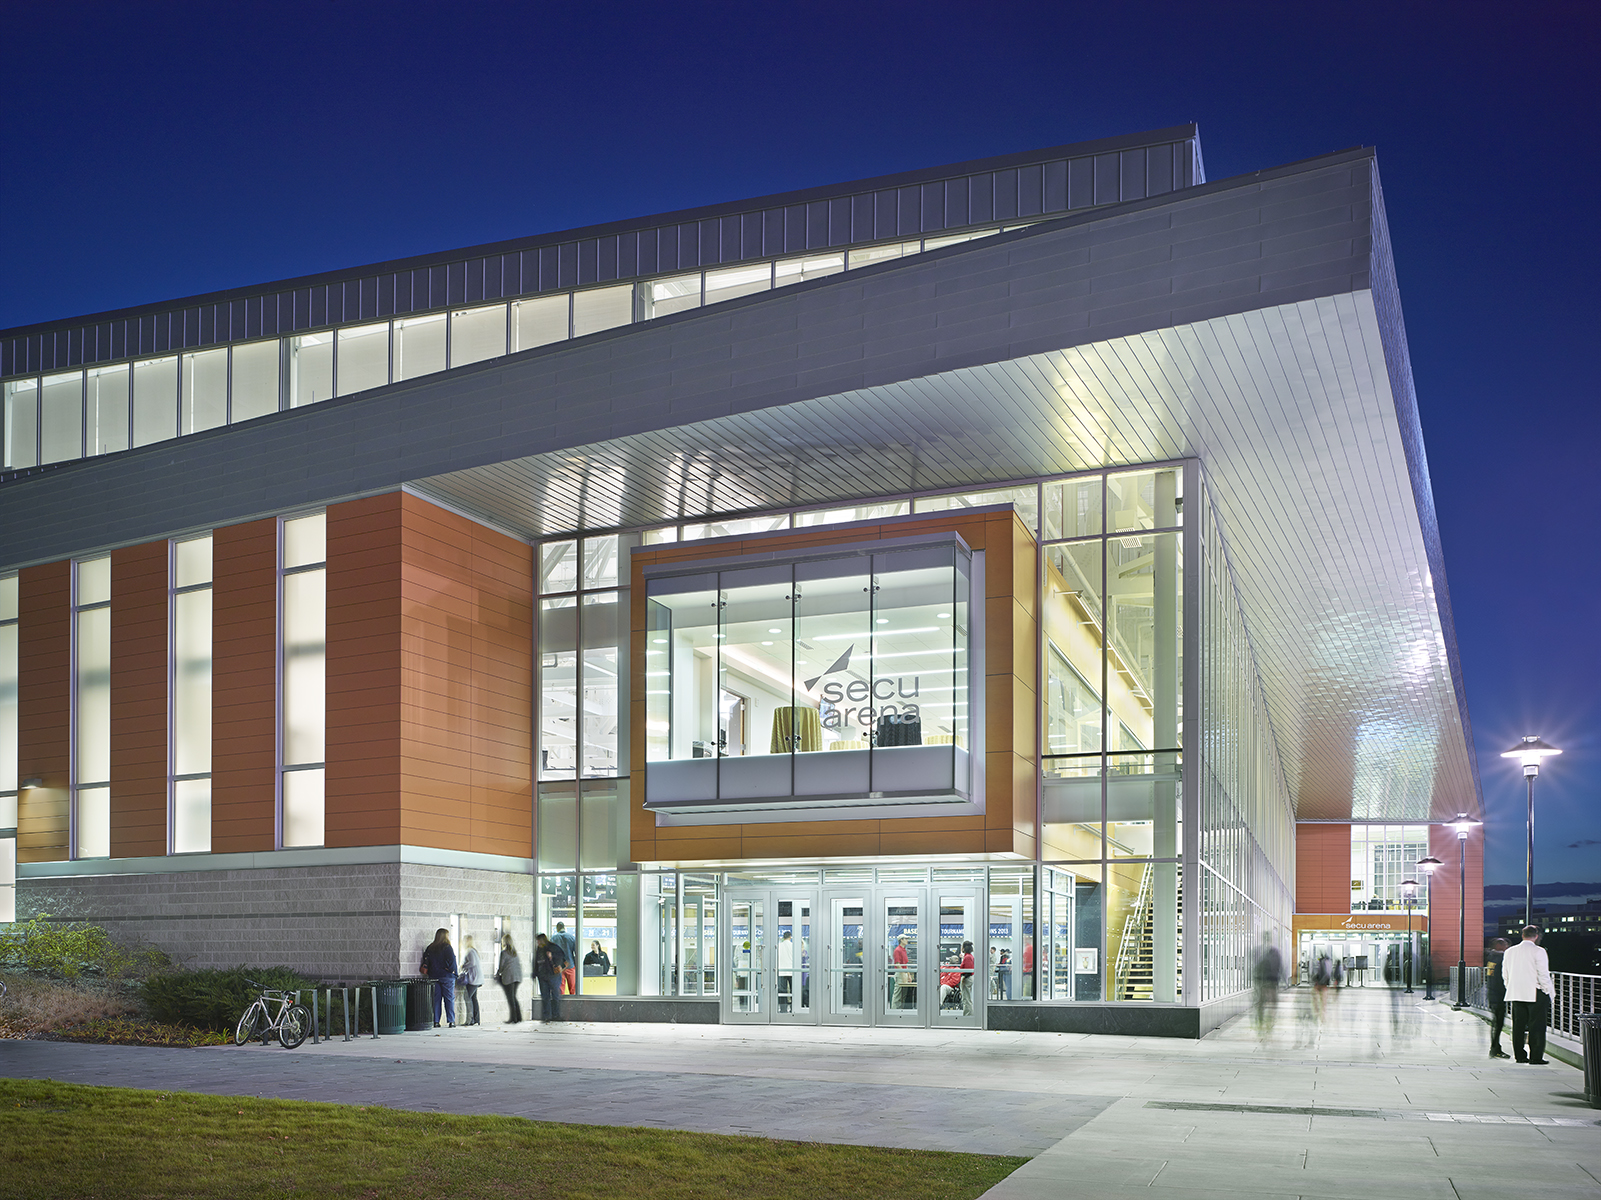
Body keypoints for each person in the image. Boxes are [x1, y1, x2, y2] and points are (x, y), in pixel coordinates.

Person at [1503, 925, 1553, 1064]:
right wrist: (1547, 990)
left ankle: (1520, 1056)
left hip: (1516, 992)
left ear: (1522, 935)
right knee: (1537, 1026)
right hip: (1535, 992)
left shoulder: (1510, 951)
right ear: (1536, 936)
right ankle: (1536, 1057)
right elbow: (1543, 974)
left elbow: (1505, 973)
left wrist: (1509, 986)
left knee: (1518, 1026)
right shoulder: (1539, 951)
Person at [419, 928, 457, 1028]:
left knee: (436, 999)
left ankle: (436, 1021)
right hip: (446, 977)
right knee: (449, 999)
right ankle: (451, 1021)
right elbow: (452, 963)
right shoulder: (447, 947)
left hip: (434, 976)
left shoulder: (430, 947)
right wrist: (451, 970)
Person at [1251, 933, 1283, 1040]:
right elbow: (1280, 967)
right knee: (1272, 1004)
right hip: (1272, 982)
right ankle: (1269, 1023)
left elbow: (1255, 967)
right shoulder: (1275, 952)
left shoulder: (1259, 951)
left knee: (1261, 1003)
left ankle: (1261, 1023)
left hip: (1263, 982)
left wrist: (1256, 979)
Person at [1485, 937, 1510, 1058]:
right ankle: (1495, 1049)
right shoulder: (1502, 958)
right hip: (1499, 995)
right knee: (1498, 1023)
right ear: (1500, 946)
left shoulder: (1491, 957)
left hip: (1492, 993)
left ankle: (1495, 1048)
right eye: (1505, 944)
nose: (1507, 947)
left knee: (1496, 1022)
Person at [535, 932, 568, 1022]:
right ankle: (547, 1016)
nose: (537, 943)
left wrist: (551, 957)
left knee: (555, 995)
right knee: (545, 996)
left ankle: (555, 1015)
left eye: (538, 941)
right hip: (543, 975)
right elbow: (536, 961)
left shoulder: (553, 947)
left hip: (552, 975)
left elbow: (561, 958)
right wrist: (536, 973)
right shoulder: (539, 949)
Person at [495, 933, 523, 1024]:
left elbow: (501, 966)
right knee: (513, 997)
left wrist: (497, 973)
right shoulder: (514, 952)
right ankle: (518, 1017)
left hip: (509, 977)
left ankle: (513, 1018)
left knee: (511, 998)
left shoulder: (504, 953)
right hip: (517, 977)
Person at [458, 935, 483, 1026]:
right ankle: (476, 1019)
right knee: (473, 998)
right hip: (477, 978)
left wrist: (462, 966)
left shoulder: (470, 951)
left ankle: (470, 1020)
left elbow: (472, 963)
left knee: (467, 998)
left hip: (473, 979)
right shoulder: (474, 951)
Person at [552, 921, 579, 996]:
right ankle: (574, 1003)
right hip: (570, 966)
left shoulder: (553, 938)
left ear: (557, 929)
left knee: (560, 989)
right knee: (573, 989)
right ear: (564, 928)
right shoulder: (571, 937)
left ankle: (561, 1003)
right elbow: (577, 952)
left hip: (559, 967)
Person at [891, 934, 913, 1008]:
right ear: (901, 940)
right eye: (905, 939)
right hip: (900, 973)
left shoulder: (904, 950)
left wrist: (909, 975)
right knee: (898, 994)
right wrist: (903, 974)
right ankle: (894, 1010)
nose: (907, 940)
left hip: (904, 973)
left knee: (903, 995)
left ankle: (900, 1010)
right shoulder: (897, 950)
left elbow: (905, 964)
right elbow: (897, 964)